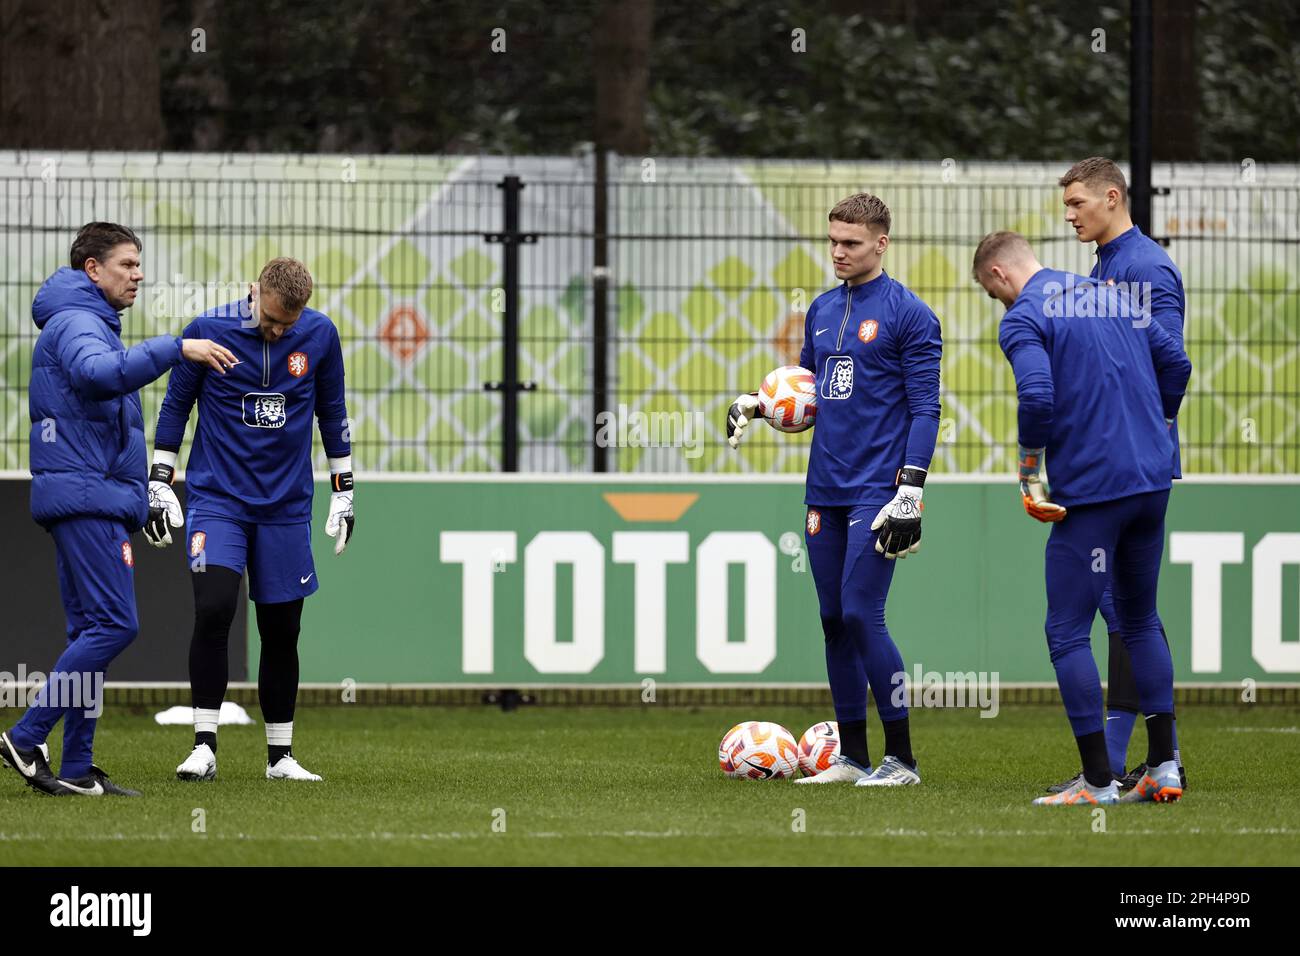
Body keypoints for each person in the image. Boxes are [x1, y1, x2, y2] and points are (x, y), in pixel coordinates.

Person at [0, 222, 237, 797]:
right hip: (86, 500)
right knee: (115, 624)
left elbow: (105, 410)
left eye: (138, 264)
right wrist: (178, 347)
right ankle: (27, 736)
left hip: (94, 497)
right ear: (92, 269)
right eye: (127, 264)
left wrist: (138, 496)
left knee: (90, 628)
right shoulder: (80, 321)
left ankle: (78, 768)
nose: (138, 274)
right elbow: (99, 376)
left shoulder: (89, 320)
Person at [728, 193, 942, 787]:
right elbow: (809, 394)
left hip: (880, 487)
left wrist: (910, 490)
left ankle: (901, 760)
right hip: (824, 486)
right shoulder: (820, 310)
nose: (839, 252)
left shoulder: (911, 314)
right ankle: (851, 758)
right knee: (831, 618)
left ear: (881, 243)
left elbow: (926, 408)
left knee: (860, 611)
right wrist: (758, 404)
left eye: (851, 243)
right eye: (833, 241)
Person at [972, 231, 1191, 806]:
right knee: (1140, 619)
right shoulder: (1109, 293)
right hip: (1152, 480)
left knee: (1067, 630)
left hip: (1095, 490)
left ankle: (1098, 782)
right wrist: (1157, 426)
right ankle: (1164, 767)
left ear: (998, 275)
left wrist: (1028, 471)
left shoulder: (1023, 316)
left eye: (994, 294)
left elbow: (1037, 396)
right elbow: (1178, 362)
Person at [148, 257, 354, 783]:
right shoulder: (207, 332)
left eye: (288, 323)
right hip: (218, 499)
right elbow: (176, 409)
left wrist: (344, 490)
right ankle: (204, 746)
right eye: (270, 319)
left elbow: (332, 412)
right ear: (253, 292)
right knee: (214, 608)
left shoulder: (321, 336)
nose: (278, 330)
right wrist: (159, 478)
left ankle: (280, 757)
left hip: (285, 507)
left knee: (283, 628)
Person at [1046, 156, 1187, 793]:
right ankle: (1150, 765)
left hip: (1125, 470)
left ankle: (1136, 763)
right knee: (1126, 616)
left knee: (1124, 616)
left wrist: (1139, 433)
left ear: (1112, 197)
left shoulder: (1144, 266)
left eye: (1078, 203)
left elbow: (1170, 363)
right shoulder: (1107, 265)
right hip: (1124, 464)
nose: (1070, 214)